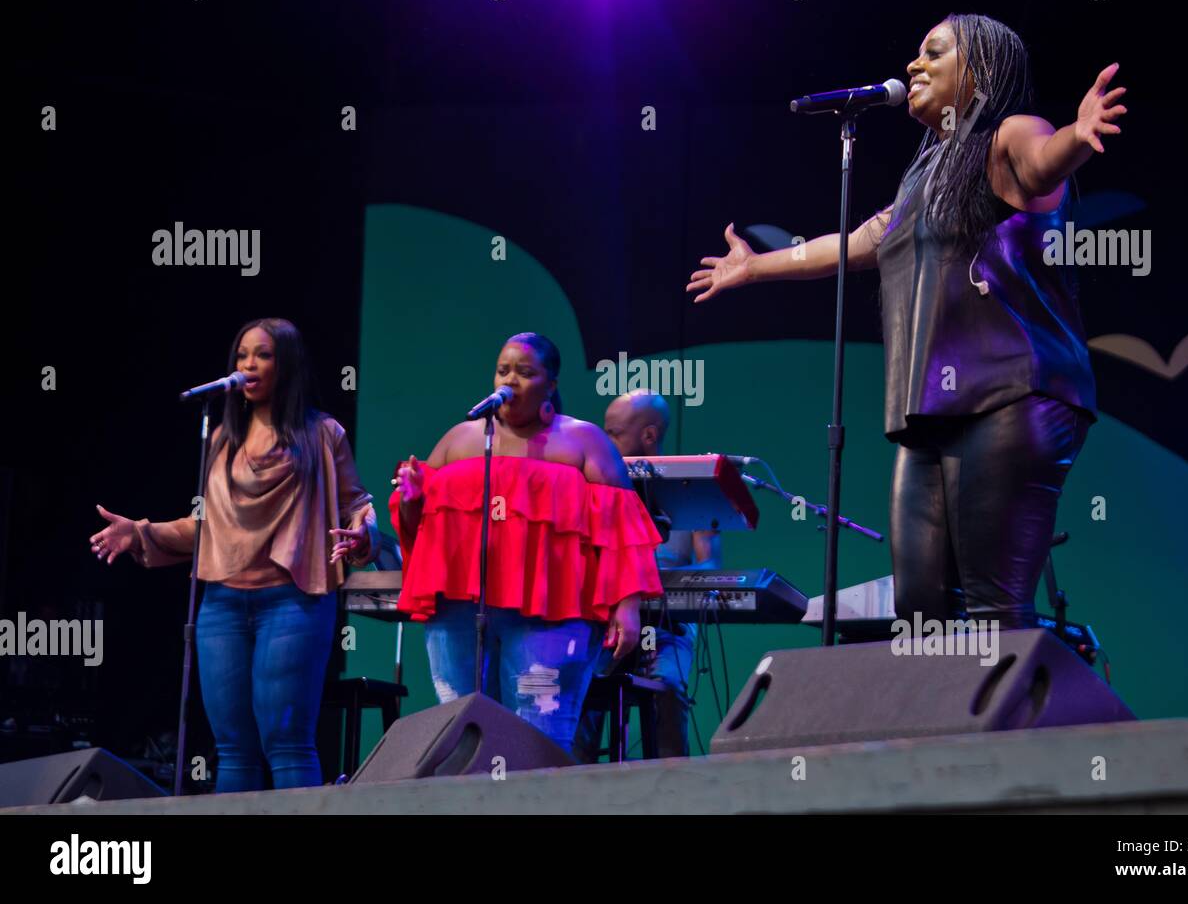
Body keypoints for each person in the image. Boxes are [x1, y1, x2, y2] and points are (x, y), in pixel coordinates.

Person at [689, 14, 1125, 629]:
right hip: (930, 412)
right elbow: (850, 242)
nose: (914, 65)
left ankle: (1021, 726)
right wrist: (756, 267)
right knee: (921, 611)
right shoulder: (927, 176)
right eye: (916, 55)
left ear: (980, 73)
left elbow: (1042, 163)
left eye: (934, 54)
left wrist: (1077, 137)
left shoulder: (1011, 134)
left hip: (1013, 395)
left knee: (994, 612)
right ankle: (944, 729)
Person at [89, 317, 379, 791]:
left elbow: (356, 505)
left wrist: (363, 532)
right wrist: (141, 532)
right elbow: (210, 527)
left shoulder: (324, 434)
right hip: (222, 604)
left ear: (287, 364)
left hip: (293, 602)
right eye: (242, 355)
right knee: (233, 751)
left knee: (287, 743)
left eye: (262, 355)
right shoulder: (223, 437)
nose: (248, 365)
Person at [391, 332, 664, 754]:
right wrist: (410, 502)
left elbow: (621, 527)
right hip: (462, 612)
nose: (510, 380)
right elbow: (422, 529)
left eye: (525, 372)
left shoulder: (582, 440)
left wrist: (627, 605)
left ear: (550, 384)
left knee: (538, 736)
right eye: (503, 370)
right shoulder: (461, 439)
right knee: (463, 736)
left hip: (553, 612)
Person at [573, 390, 721, 762]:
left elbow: (710, 568)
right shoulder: (595, 485)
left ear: (649, 436)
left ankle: (672, 790)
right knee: (576, 688)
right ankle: (572, 789)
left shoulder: (693, 487)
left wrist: (645, 578)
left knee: (667, 687)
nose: (603, 442)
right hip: (605, 624)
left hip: (668, 629)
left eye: (613, 433)